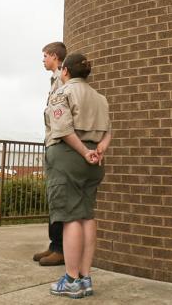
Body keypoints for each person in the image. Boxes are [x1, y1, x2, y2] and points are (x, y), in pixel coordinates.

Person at [45, 52, 111, 299]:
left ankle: (71, 279)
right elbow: (107, 132)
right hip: (94, 160)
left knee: (70, 217)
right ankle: (85, 277)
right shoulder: (100, 98)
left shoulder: (61, 93)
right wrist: (97, 150)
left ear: (65, 72)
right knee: (87, 215)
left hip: (69, 157)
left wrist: (83, 152)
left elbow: (62, 129)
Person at [34, 40, 67, 267]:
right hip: (51, 142)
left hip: (59, 143)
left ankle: (60, 248)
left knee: (58, 196)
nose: (43, 60)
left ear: (54, 56)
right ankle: (54, 244)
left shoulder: (63, 80)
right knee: (52, 195)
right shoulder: (54, 80)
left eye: (45, 55)